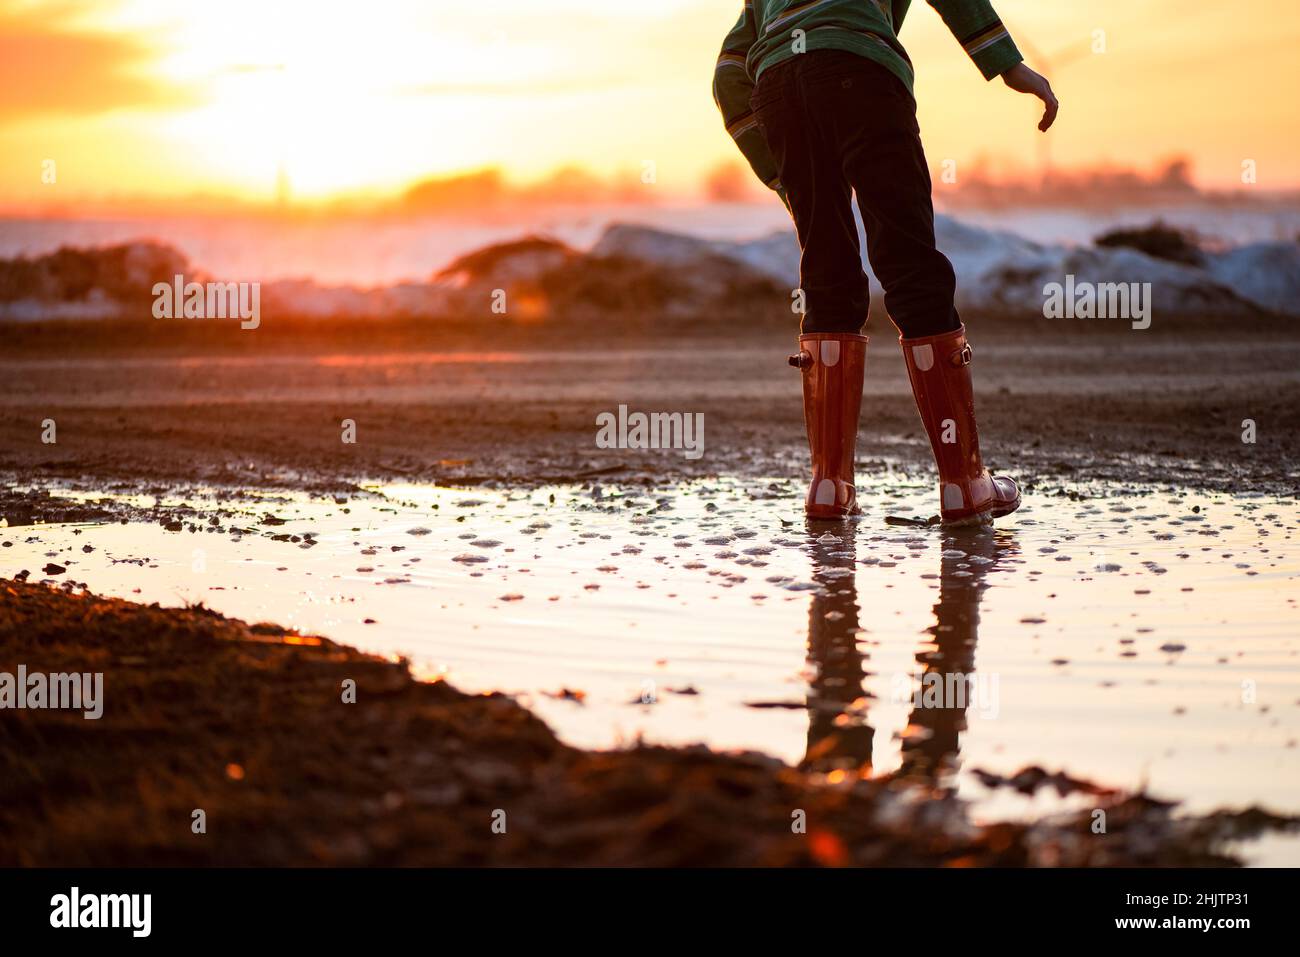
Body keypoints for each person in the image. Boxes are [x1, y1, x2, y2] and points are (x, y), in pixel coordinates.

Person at [713, 1, 1058, 524]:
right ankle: (963, 484)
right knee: (910, 261)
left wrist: (786, 178)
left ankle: (829, 486)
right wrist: (1010, 65)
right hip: (862, 72)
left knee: (826, 274)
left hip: (780, 87)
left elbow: (727, 78)